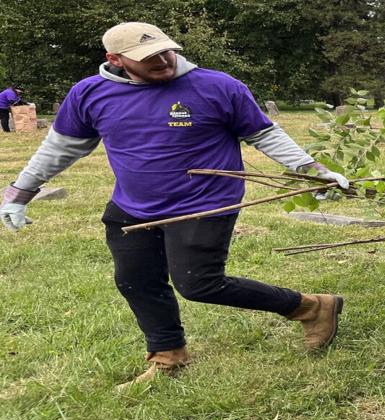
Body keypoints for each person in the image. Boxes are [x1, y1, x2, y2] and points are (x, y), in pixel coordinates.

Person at [0, 22, 353, 388]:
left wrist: (312, 169)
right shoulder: (89, 94)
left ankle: (310, 307)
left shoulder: (217, 86)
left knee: (199, 283)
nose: (163, 60)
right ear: (115, 60)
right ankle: (168, 355)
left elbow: (263, 133)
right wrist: (21, 192)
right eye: (147, 58)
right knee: (135, 280)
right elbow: (61, 147)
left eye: (166, 51)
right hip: (132, 205)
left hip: (203, 203)